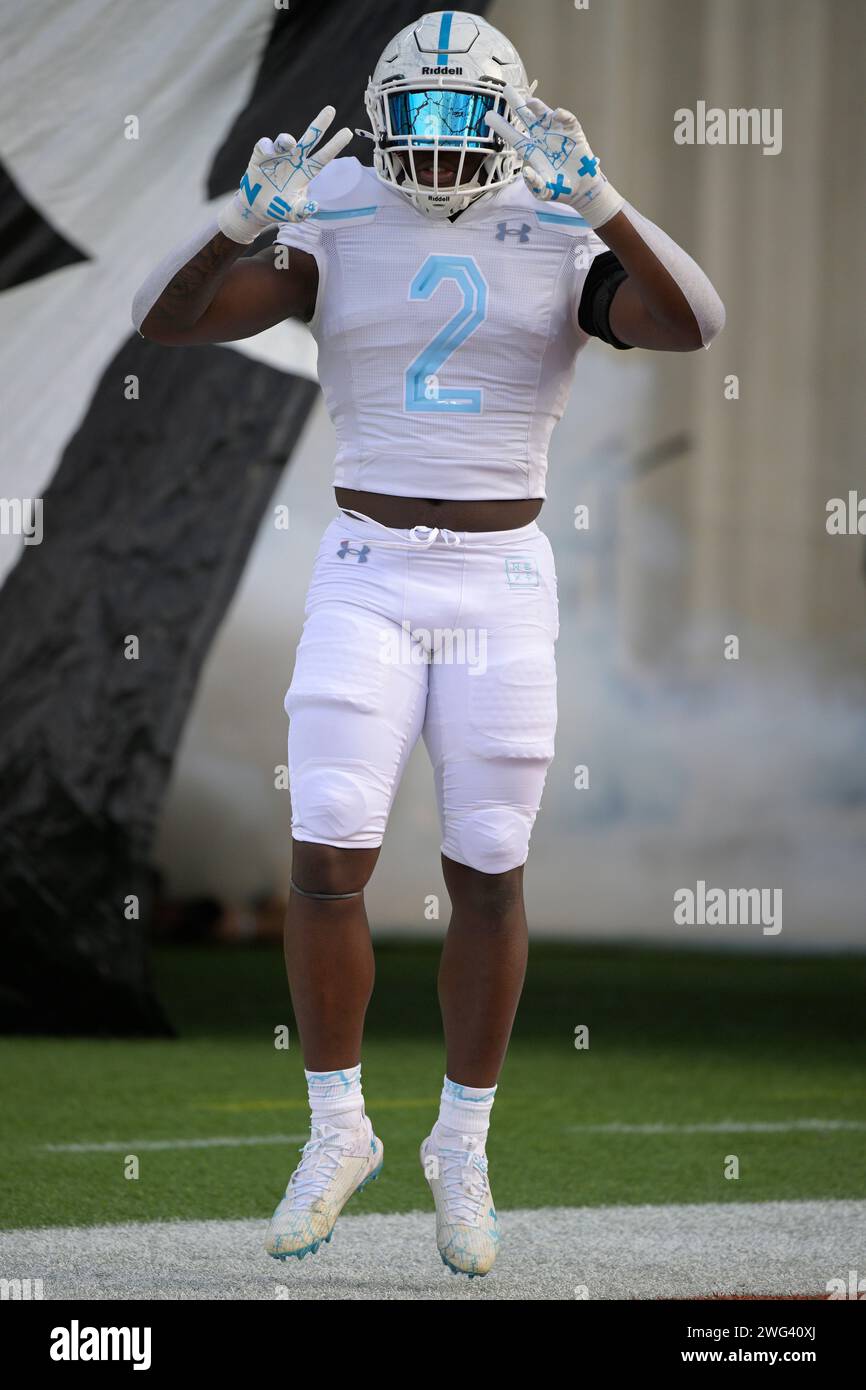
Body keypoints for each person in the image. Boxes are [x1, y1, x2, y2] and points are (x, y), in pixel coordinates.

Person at [132, 10, 724, 1280]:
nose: (448, 143)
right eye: (426, 115)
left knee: (490, 868)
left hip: (501, 579)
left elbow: (695, 322)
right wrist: (240, 216)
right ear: (384, 116)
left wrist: (609, 204)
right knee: (326, 857)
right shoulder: (335, 203)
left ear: (509, 121)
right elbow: (166, 319)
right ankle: (336, 1126)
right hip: (367, 568)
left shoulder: (561, 216)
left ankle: (464, 1143)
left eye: (472, 117)